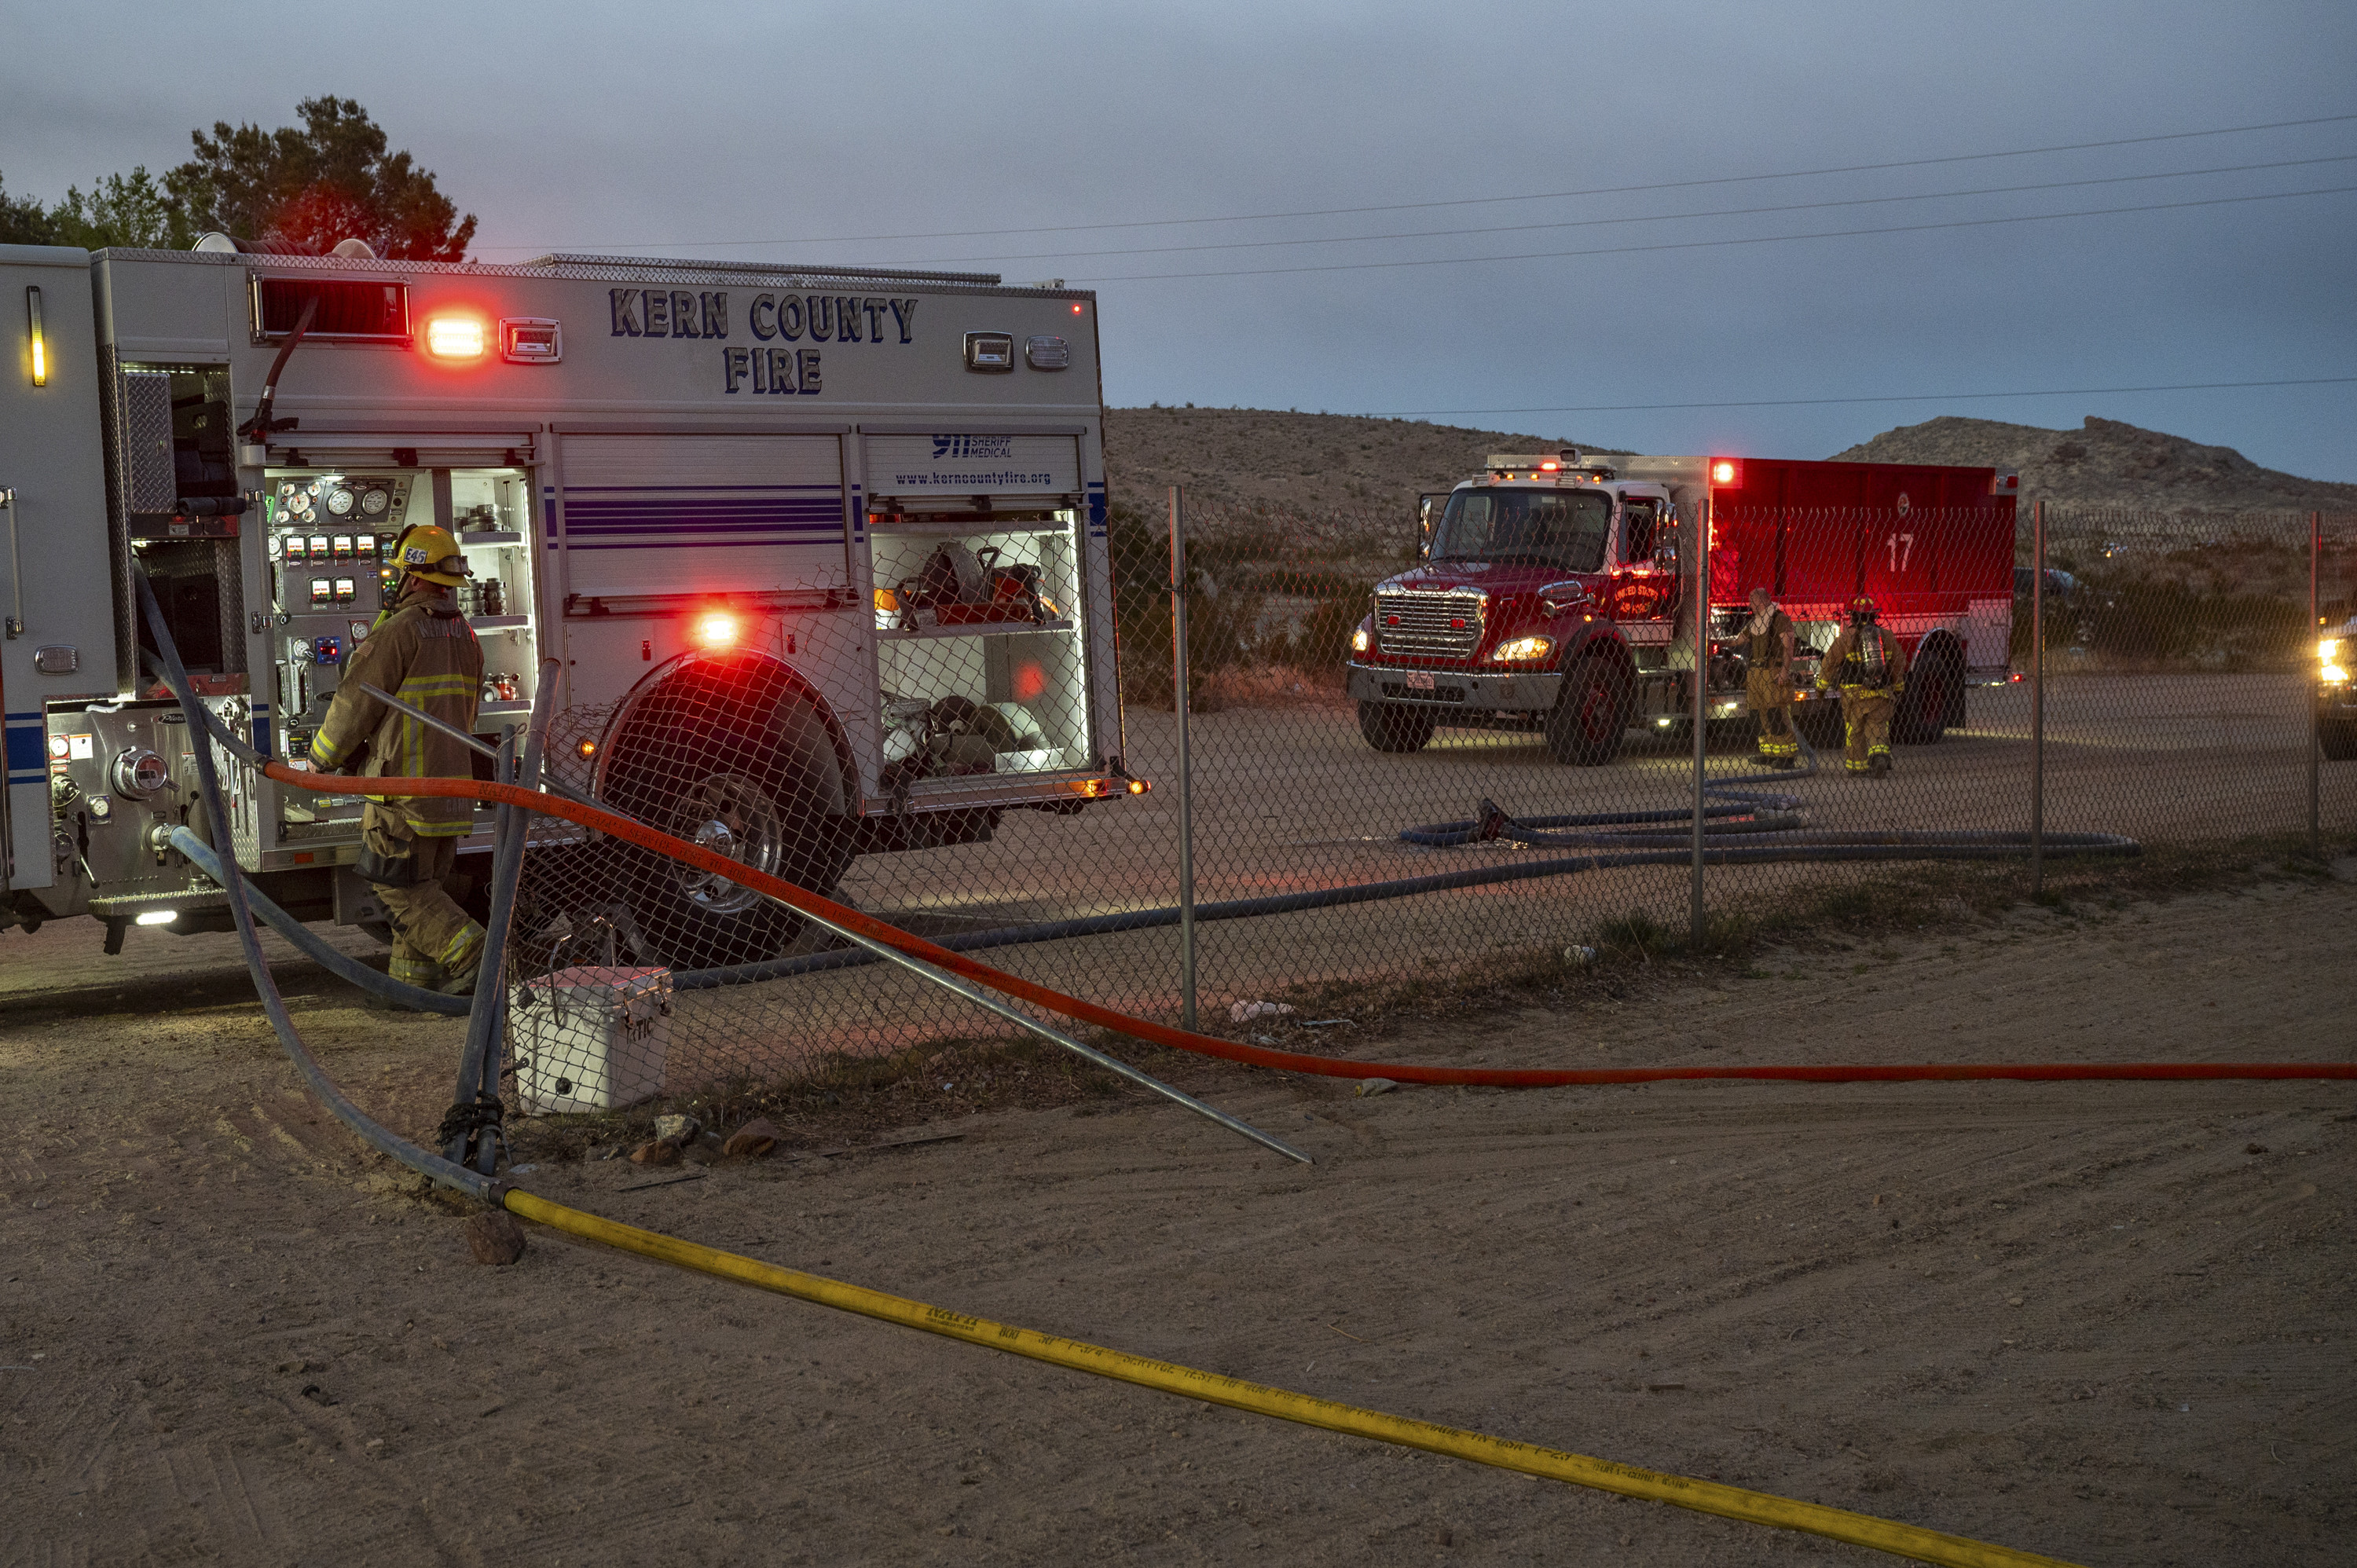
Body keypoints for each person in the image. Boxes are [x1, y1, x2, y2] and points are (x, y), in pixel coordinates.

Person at [310, 523, 487, 999]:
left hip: (404, 792)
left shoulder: (399, 631)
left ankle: (478, 957)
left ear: (412, 576)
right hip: (451, 792)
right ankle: (413, 990)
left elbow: (353, 704)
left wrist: (320, 761)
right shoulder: (466, 635)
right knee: (422, 885)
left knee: (397, 890)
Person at [1816, 594, 1908, 777]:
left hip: (1854, 695)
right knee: (1877, 725)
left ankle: (1858, 768)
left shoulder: (1845, 638)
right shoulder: (1886, 636)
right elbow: (1899, 663)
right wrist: (1898, 688)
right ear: (1875, 616)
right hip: (1879, 692)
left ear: (1853, 616)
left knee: (1855, 730)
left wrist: (1821, 688)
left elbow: (1830, 663)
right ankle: (1880, 755)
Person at [1743, 587, 1799, 768]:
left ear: (1762, 600)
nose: (1750, 605)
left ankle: (1787, 756)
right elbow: (1739, 639)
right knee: (1758, 713)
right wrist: (1714, 641)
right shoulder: (1755, 622)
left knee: (1775, 713)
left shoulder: (1779, 619)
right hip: (1755, 673)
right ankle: (1768, 752)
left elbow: (1788, 646)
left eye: (1752, 601)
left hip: (1771, 671)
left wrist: (1784, 671)